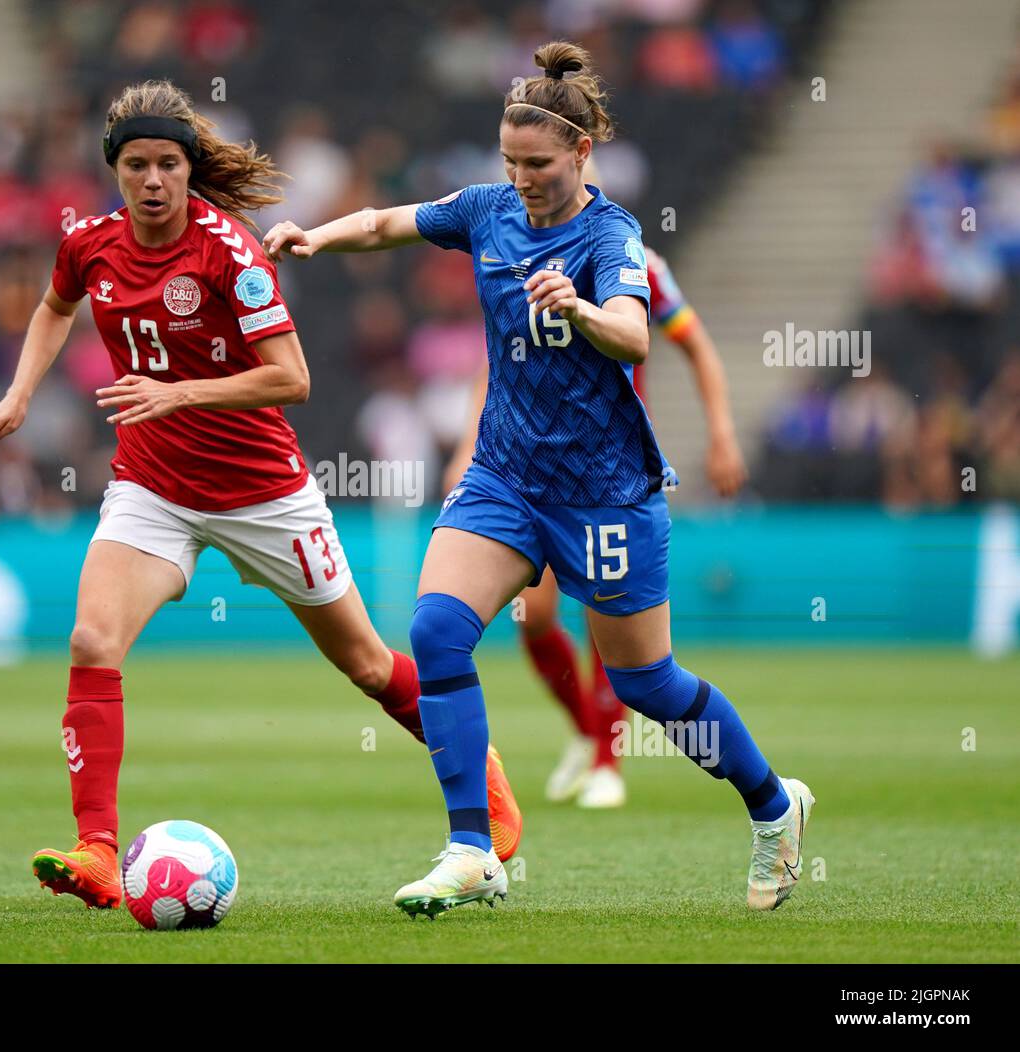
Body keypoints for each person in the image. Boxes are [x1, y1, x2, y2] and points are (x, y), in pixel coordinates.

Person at [264, 41, 812, 916]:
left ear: (583, 153)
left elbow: (635, 336)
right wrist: (311, 237)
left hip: (603, 490)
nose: (520, 178)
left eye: (538, 164)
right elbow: (384, 223)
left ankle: (775, 806)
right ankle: (472, 847)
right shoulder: (486, 211)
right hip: (505, 476)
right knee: (438, 630)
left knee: (646, 685)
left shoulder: (610, 234)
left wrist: (580, 307)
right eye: (509, 160)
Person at [0, 79, 522, 910]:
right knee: (90, 639)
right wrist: (17, 396)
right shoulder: (89, 242)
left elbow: (292, 378)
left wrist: (176, 392)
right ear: (114, 169)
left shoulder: (230, 253)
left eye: (169, 164)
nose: (153, 180)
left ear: (190, 169)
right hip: (152, 485)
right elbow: (53, 307)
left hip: (264, 491)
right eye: (137, 164)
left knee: (368, 663)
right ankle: (99, 851)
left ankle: (485, 784)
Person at [441, 187, 749, 810]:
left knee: (611, 633)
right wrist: (466, 448)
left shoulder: (639, 267)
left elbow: (695, 345)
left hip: (606, 474)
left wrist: (722, 434)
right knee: (535, 616)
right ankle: (585, 730)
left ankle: (609, 760)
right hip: (527, 466)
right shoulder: (523, 256)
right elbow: (499, 362)